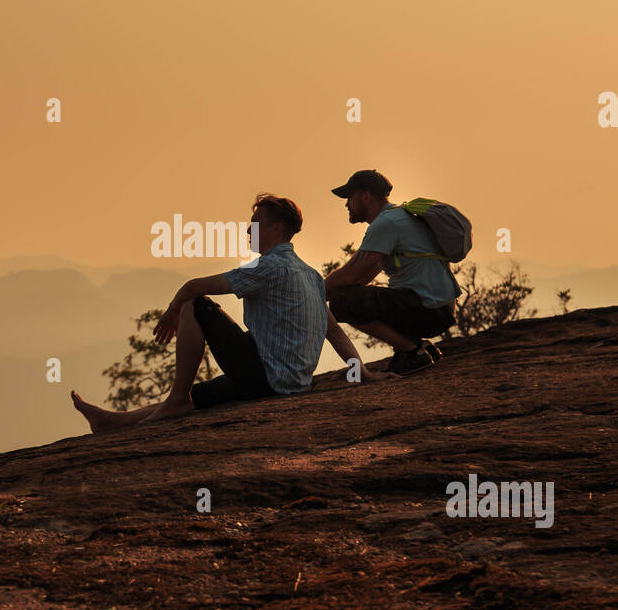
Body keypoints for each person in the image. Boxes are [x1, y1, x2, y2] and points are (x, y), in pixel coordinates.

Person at [72, 193, 387, 432]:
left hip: (266, 378)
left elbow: (193, 287)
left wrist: (172, 311)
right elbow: (334, 332)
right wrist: (363, 373)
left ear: (276, 228)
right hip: (290, 381)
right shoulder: (311, 275)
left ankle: (176, 401)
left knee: (196, 305)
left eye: (255, 224)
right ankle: (114, 421)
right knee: (202, 396)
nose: (248, 231)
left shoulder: (269, 267)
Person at [324, 169, 458, 375]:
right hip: (440, 309)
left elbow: (350, 274)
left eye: (350, 197)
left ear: (366, 196)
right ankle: (418, 345)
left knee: (343, 302)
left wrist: (311, 294)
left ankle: (411, 352)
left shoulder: (386, 224)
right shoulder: (399, 217)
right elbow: (362, 278)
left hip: (428, 310)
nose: (346, 204)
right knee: (351, 296)